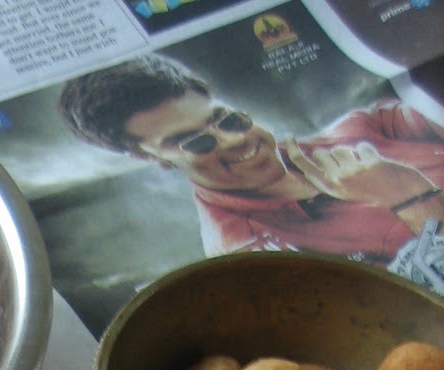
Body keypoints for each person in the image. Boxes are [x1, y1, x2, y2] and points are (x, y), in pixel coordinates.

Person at [57, 54, 444, 288]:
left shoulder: (367, 123)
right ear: (151, 159)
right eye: (194, 143)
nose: (233, 141)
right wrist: (411, 197)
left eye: (227, 120)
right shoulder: (252, 252)